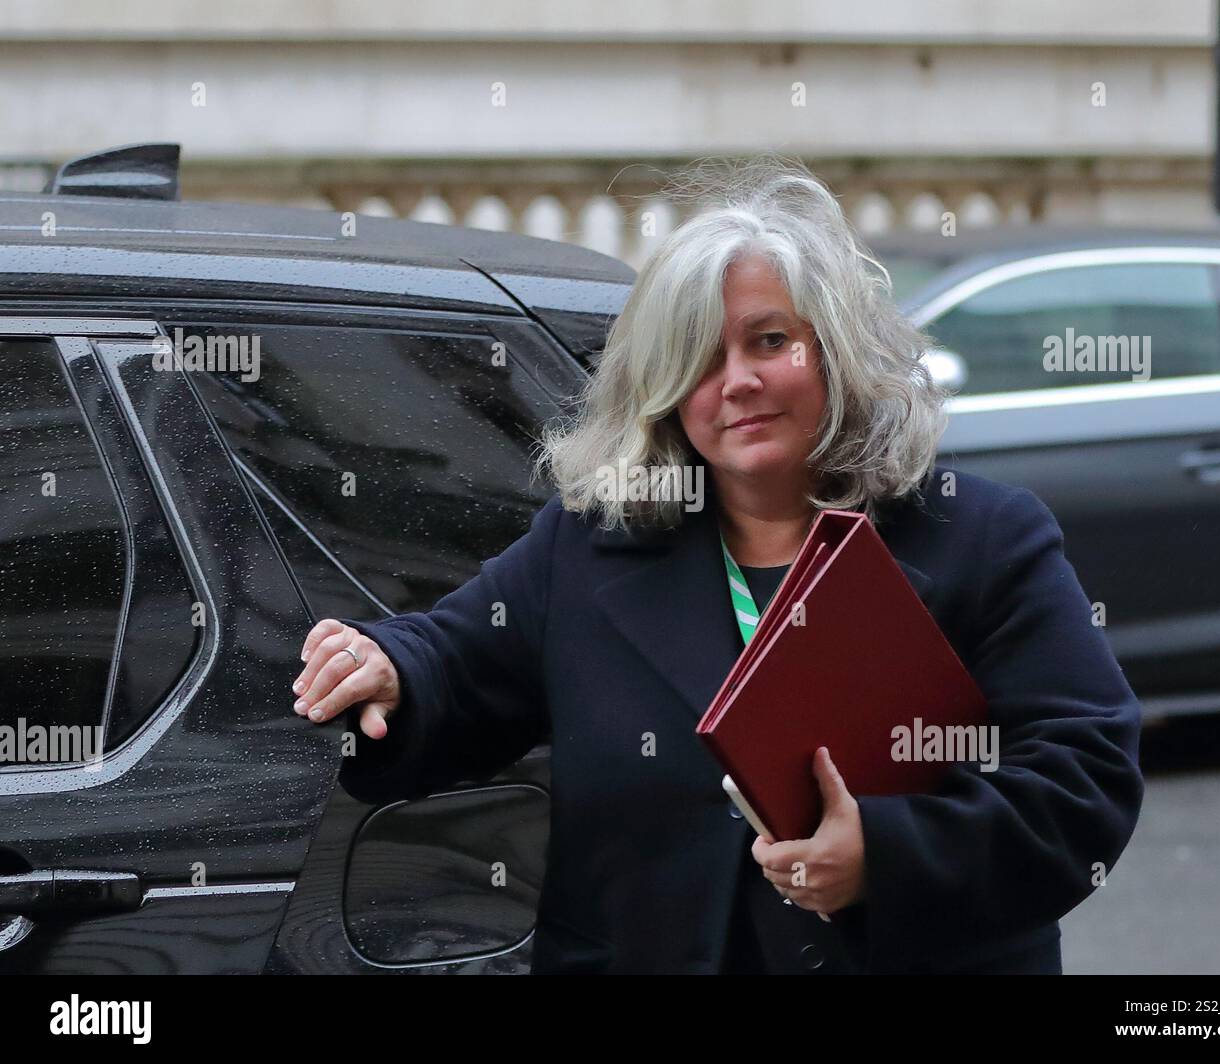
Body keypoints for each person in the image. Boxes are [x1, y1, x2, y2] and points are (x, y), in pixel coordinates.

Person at [289, 155, 1144, 974]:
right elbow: (456, 658)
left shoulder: (981, 538)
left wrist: (885, 854)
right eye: (698, 357)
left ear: (836, 350)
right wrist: (390, 666)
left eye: (769, 341)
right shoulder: (591, 545)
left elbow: (1084, 777)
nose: (735, 381)